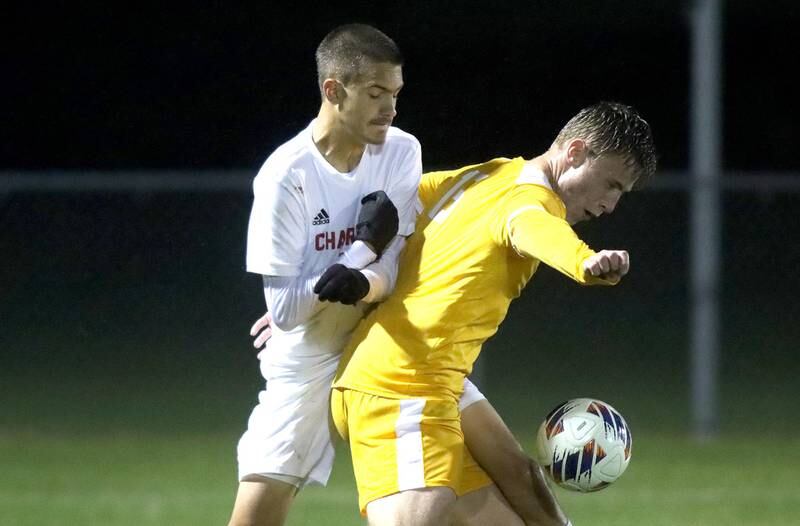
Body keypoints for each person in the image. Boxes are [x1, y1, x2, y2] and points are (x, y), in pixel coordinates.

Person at [229, 23, 568, 526]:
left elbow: (392, 259)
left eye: (395, 93)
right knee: (261, 506)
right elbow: (285, 310)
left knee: (515, 470)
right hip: (310, 357)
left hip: (389, 346)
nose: (390, 107)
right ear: (333, 91)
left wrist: (362, 276)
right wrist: (358, 253)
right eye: (375, 93)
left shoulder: (400, 150)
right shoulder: (286, 176)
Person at [331, 101, 658, 525]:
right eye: (611, 184)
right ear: (575, 153)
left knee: (522, 480)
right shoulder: (529, 203)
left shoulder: (486, 176)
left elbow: (398, 197)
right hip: (400, 389)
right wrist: (583, 262)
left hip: (433, 379)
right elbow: (533, 227)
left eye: (621, 193)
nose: (611, 204)